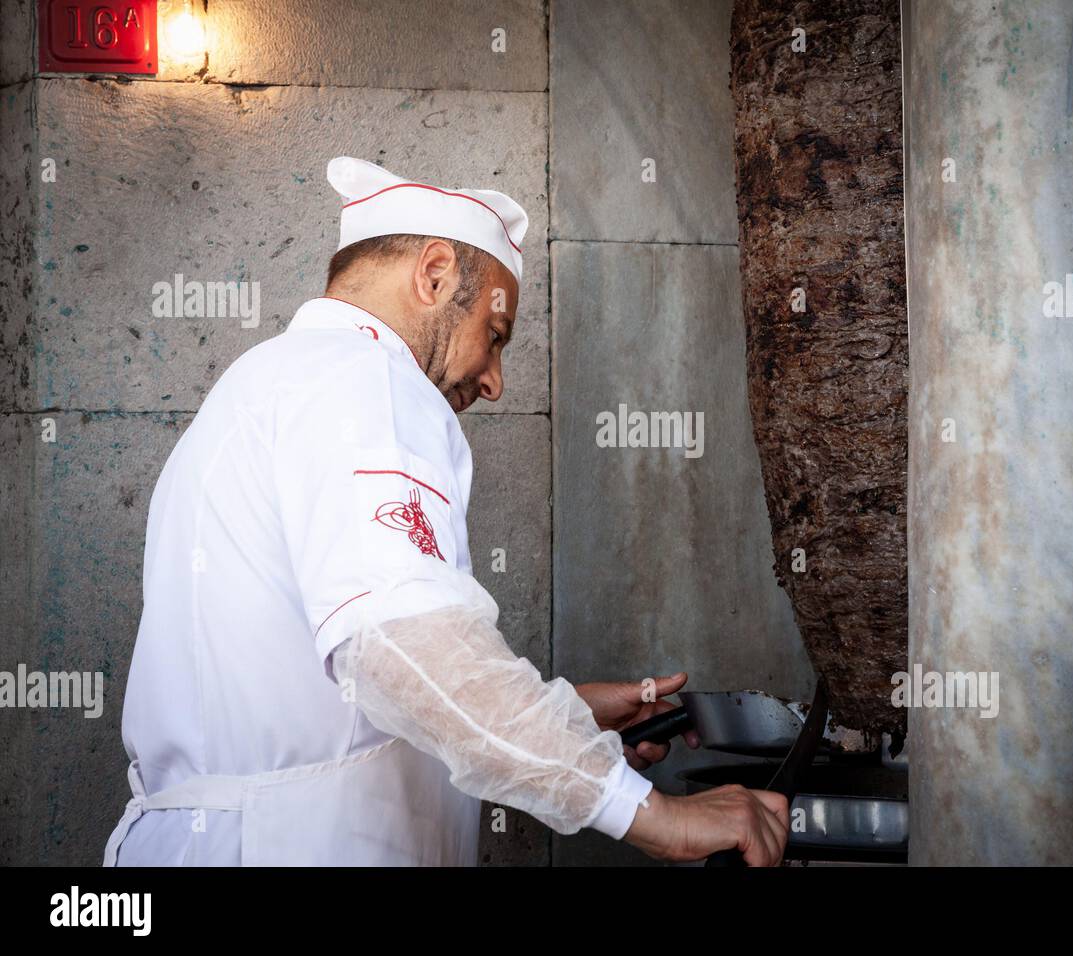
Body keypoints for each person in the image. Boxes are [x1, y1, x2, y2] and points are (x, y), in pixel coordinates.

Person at [103, 157, 790, 867]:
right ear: (433, 275)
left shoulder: (275, 381)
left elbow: (368, 690)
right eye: (496, 336)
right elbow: (406, 652)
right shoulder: (368, 381)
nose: (494, 382)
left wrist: (564, 719)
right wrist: (652, 813)